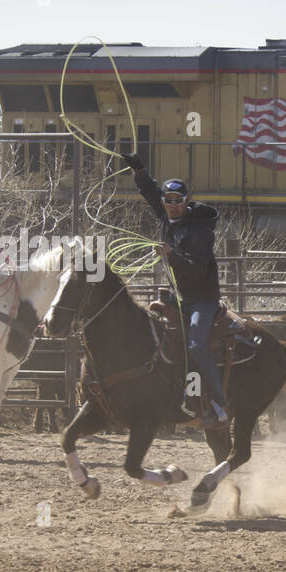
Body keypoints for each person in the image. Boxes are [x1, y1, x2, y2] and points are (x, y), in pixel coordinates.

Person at [121, 153, 229, 428]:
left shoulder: (201, 231)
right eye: (167, 202)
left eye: (177, 202)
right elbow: (150, 193)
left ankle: (219, 403)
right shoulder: (167, 218)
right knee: (163, 341)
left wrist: (172, 254)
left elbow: (199, 269)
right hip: (184, 298)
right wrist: (140, 170)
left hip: (203, 299)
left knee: (196, 345)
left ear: (186, 202)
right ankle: (179, 398)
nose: (171, 206)